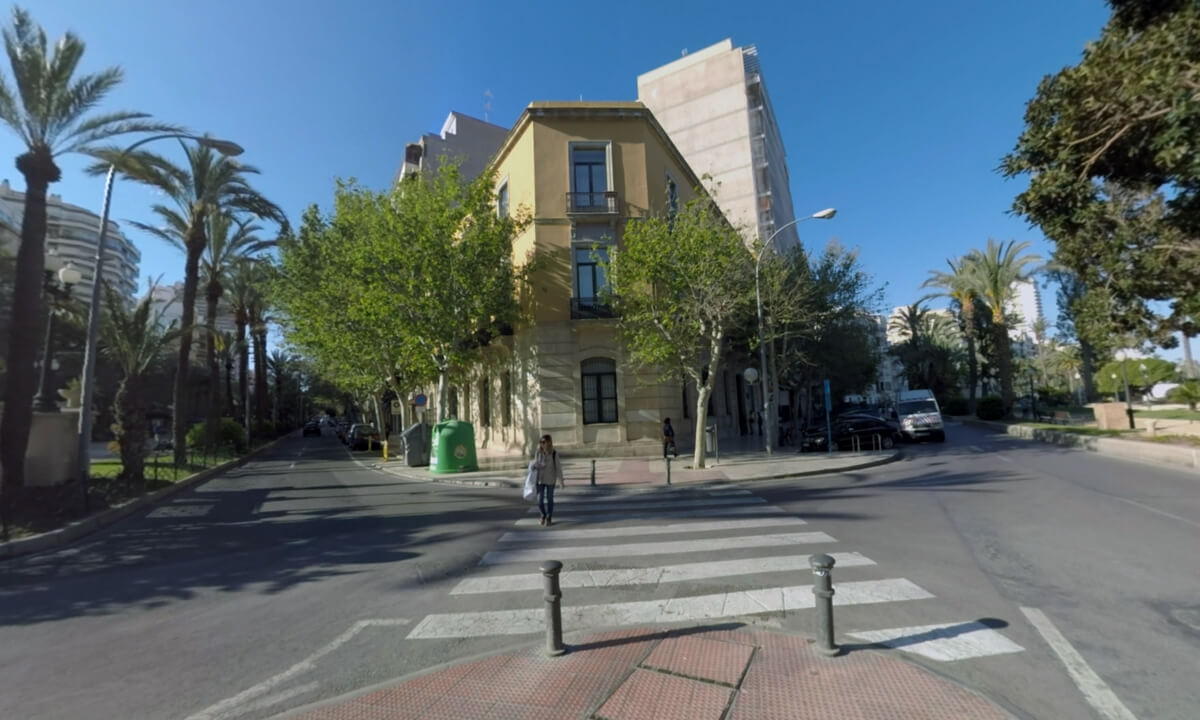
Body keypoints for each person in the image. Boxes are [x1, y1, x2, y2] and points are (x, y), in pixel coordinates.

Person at [533, 434, 565, 526]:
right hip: (539, 480)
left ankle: (549, 517)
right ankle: (543, 515)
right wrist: (535, 466)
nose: (542, 444)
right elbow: (534, 464)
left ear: (549, 442)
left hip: (550, 480)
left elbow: (558, 468)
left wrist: (561, 481)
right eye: (541, 442)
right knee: (539, 500)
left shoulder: (554, 453)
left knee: (550, 499)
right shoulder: (538, 452)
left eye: (544, 442)